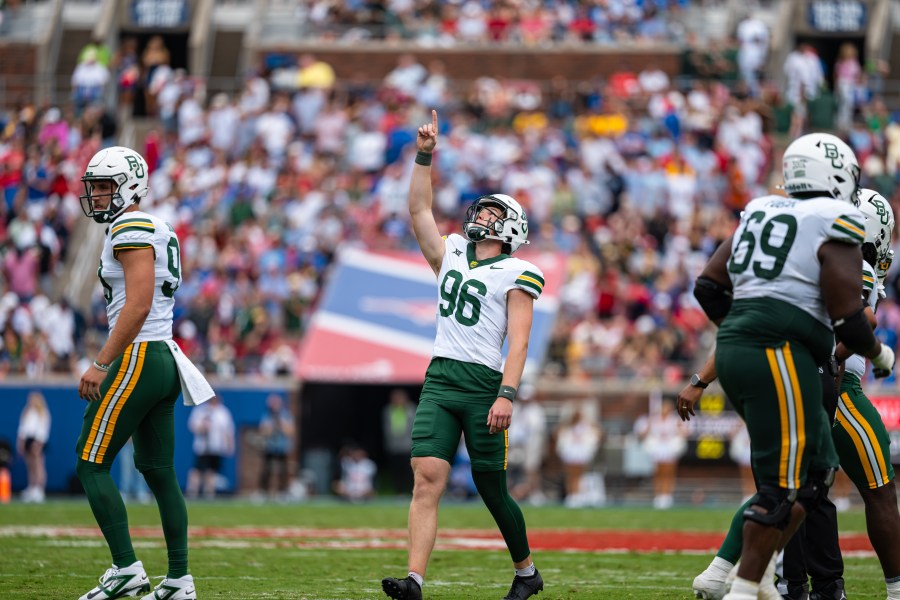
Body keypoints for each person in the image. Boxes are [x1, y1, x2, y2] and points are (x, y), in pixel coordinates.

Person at [691, 132, 895, 600]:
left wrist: (737, 330)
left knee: (797, 475)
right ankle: (745, 584)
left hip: (736, 349)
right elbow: (852, 318)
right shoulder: (834, 219)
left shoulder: (763, 208)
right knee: (794, 482)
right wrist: (879, 354)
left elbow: (707, 286)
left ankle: (746, 576)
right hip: (786, 357)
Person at [381, 110, 545, 600]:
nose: (482, 215)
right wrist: (425, 156)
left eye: (494, 213)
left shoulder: (518, 271)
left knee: (491, 488)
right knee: (426, 477)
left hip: (482, 385)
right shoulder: (452, 251)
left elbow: (519, 342)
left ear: (511, 227)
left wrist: (507, 394)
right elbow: (417, 211)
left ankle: (525, 572)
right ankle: (414, 580)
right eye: (483, 209)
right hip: (440, 377)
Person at [75, 146, 201, 600]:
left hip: (139, 354)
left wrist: (101, 361)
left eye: (106, 186)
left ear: (130, 185)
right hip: (163, 354)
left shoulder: (130, 224)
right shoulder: (158, 225)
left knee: (90, 463)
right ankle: (178, 579)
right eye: (96, 187)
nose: (99, 196)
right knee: (158, 470)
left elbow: (139, 302)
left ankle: (126, 568)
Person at [633, 399, 685, 509]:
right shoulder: (653, 420)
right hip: (657, 449)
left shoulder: (675, 420)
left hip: (670, 448)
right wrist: (649, 425)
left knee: (669, 472)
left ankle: (667, 496)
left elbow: (685, 433)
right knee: (658, 473)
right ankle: (658, 495)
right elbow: (642, 434)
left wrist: (679, 429)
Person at [186, 395, 235, 500]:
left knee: (212, 471)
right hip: (202, 447)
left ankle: (209, 494)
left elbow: (228, 430)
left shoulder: (223, 412)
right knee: (197, 470)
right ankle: (193, 492)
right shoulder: (200, 410)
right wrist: (202, 427)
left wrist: (229, 445)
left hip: (216, 447)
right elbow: (193, 426)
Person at [257, 393, 295, 499]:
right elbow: (263, 431)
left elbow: (290, 431)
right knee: (267, 470)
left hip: (282, 447)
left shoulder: (286, 415)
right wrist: (270, 428)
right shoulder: (267, 415)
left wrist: (281, 425)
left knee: (283, 471)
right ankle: (263, 492)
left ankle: (283, 492)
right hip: (270, 446)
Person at [16, 391, 51, 503]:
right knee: (30, 466)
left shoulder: (43, 413)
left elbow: (43, 429)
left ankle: (39, 489)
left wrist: (38, 444)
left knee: (38, 465)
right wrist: (20, 442)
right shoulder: (27, 412)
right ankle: (31, 488)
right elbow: (22, 428)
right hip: (27, 440)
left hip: (37, 441)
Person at [382, 388, 416, 495]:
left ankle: (411, 491)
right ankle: (399, 492)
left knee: (410, 471)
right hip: (394, 447)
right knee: (396, 471)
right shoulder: (388, 410)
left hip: (408, 446)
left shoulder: (412, 409)